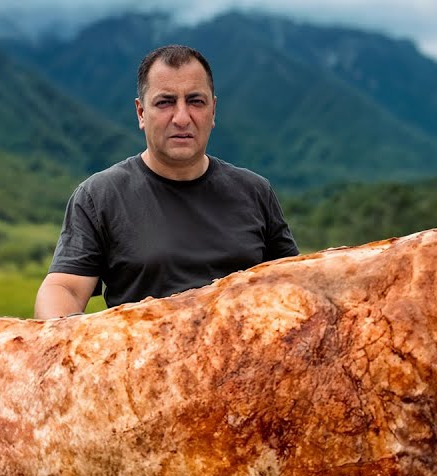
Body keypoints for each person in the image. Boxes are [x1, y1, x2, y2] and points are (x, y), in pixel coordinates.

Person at [33, 44, 299, 319]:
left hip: (243, 357)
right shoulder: (99, 196)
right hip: (142, 358)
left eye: (196, 101)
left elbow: (296, 287)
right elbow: (65, 288)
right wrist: (61, 336)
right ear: (141, 113)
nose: (182, 118)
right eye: (165, 102)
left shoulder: (255, 192)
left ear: (213, 110)